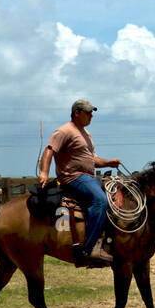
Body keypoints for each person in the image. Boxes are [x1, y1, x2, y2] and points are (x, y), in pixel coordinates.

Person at [39, 99, 122, 267]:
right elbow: (49, 151)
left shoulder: (86, 134)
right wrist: (44, 172)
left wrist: (108, 163)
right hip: (73, 177)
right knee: (100, 200)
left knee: (116, 197)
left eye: (92, 112)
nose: (91, 115)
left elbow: (93, 160)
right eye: (88, 112)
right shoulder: (64, 131)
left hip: (88, 177)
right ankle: (89, 249)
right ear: (77, 113)